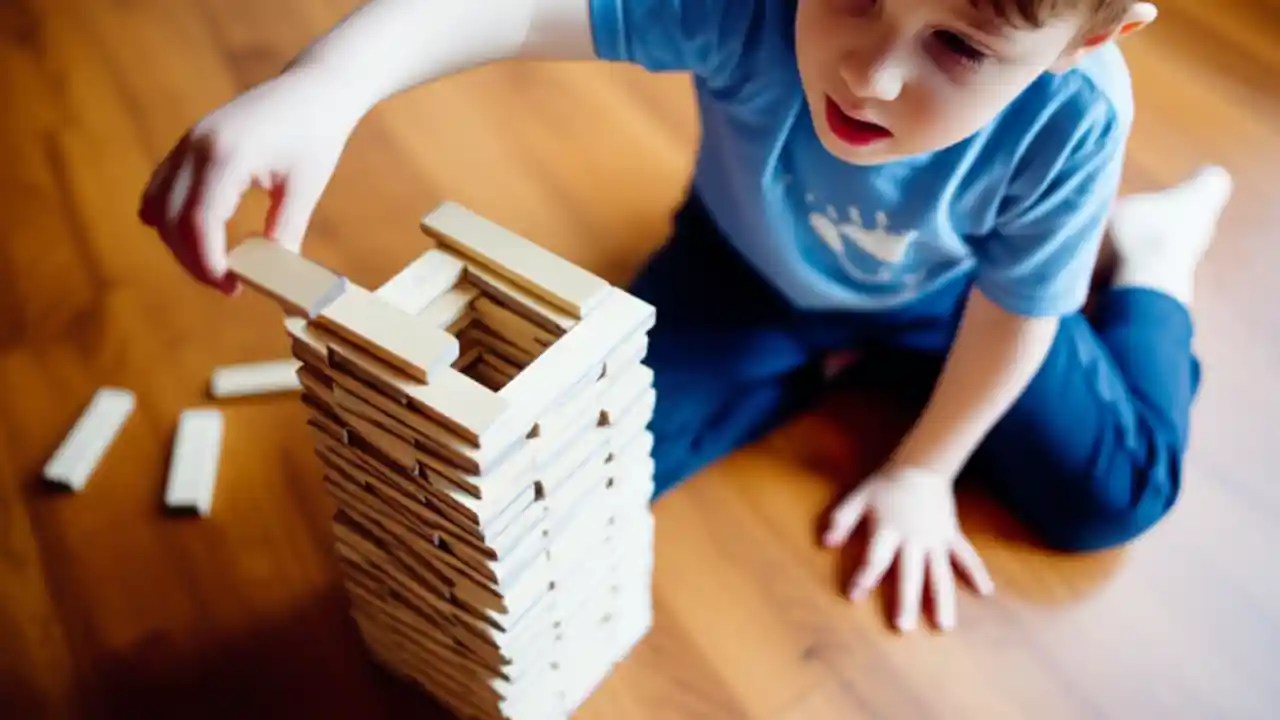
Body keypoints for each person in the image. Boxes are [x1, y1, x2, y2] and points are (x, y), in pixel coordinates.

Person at [138, 0, 1234, 634]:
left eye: (956, 45)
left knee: (1112, 495)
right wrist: (330, 81)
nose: (870, 71)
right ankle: (822, 352)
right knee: (564, 475)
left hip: (954, 304)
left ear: (1093, 32)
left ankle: (1149, 260)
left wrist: (921, 473)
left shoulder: (1075, 114)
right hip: (742, 265)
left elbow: (1011, 315)